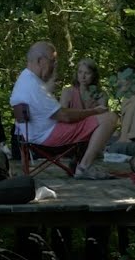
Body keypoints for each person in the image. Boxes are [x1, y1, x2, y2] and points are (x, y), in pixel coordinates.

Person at [10, 41, 118, 180]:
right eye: (52, 61)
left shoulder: (26, 78)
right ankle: (84, 167)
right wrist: (95, 111)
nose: (55, 65)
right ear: (40, 60)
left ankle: (79, 163)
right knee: (110, 118)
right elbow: (65, 116)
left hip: (34, 132)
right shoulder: (32, 87)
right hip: (48, 135)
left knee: (91, 119)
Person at [108, 64, 135, 152]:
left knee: (115, 148)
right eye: (118, 79)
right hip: (125, 138)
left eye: (122, 79)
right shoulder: (127, 98)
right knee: (102, 140)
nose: (119, 82)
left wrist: (124, 139)